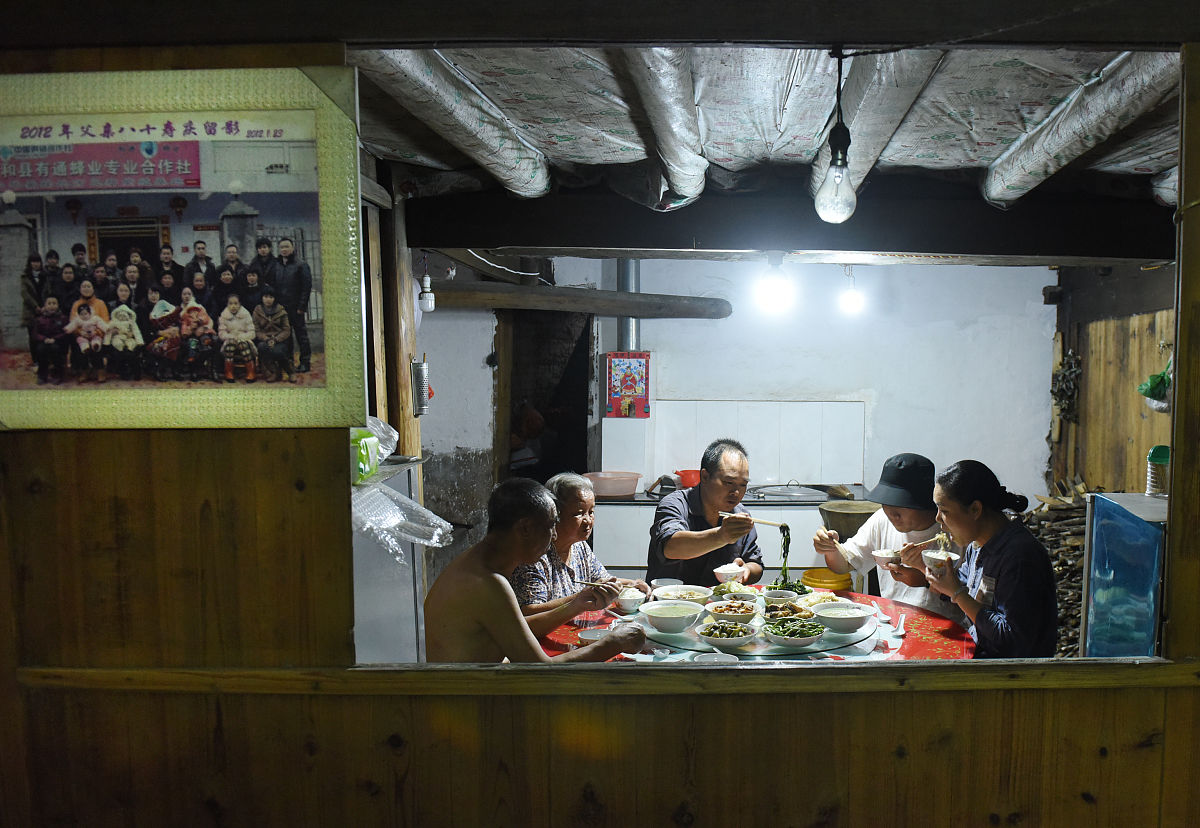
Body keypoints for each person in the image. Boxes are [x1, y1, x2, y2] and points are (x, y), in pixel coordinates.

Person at [425, 478, 645, 663]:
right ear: (525, 528)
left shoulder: (474, 561)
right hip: (464, 706)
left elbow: (515, 629)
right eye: (551, 526)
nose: (555, 536)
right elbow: (539, 669)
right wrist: (613, 643)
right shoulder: (488, 583)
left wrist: (576, 604)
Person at [899, 460, 1058, 658]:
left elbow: (1012, 641)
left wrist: (957, 594)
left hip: (1011, 678)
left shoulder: (1020, 557)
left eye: (945, 511)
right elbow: (961, 582)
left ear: (975, 509)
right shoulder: (978, 545)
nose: (938, 519)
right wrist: (925, 569)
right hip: (978, 655)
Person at [813, 453, 965, 622]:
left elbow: (972, 598)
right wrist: (830, 548)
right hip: (892, 622)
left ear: (924, 502)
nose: (892, 513)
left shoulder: (955, 530)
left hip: (946, 628)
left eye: (901, 503)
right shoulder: (882, 520)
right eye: (886, 502)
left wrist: (924, 578)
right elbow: (843, 564)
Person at [510, 473, 650, 636]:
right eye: (579, 513)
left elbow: (600, 580)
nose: (588, 520)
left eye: (591, 512)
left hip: (574, 633)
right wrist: (578, 601)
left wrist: (632, 584)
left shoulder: (580, 547)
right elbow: (528, 611)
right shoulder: (535, 556)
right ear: (555, 515)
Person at [646, 438, 763, 587]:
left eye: (743, 485)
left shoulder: (740, 514)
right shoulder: (676, 503)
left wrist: (746, 569)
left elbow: (755, 563)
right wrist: (721, 536)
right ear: (705, 476)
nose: (736, 492)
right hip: (669, 602)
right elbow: (670, 547)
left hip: (720, 606)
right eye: (728, 482)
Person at [275, 237, 312, 372]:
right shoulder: (277, 265)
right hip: (282, 309)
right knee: (286, 336)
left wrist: (302, 306)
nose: (284, 250)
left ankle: (305, 362)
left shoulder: (301, 265)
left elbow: (306, 287)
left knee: (301, 335)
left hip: (296, 308)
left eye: (286, 247)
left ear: (293, 248)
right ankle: (289, 361)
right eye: (281, 247)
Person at [252, 286, 295, 383]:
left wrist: (276, 339)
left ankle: (290, 371)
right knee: (262, 347)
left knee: (278, 351)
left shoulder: (281, 311)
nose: (268, 300)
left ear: (274, 299)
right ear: (262, 297)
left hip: (279, 339)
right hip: (265, 339)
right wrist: (266, 339)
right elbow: (256, 330)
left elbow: (286, 329)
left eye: (271, 297)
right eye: (266, 296)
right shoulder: (257, 311)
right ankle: (274, 372)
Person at [63, 303, 107, 382]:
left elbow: (102, 324)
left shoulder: (95, 318)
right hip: (83, 336)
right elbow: (72, 325)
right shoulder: (78, 319)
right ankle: (84, 370)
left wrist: (100, 331)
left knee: (97, 344)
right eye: (81, 314)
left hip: (95, 335)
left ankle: (100, 371)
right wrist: (69, 329)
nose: (84, 316)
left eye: (86, 314)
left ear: (90, 313)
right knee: (80, 345)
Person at [218, 294, 257, 383]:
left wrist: (241, 337)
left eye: (236, 303)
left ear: (240, 304)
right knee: (230, 345)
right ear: (227, 305)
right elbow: (221, 333)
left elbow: (252, 332)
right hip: (230, 339)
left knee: (242, 344)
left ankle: (250, 371)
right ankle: (229, 372)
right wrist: (231, 337)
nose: (233, 306)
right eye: (230, 304)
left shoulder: (246, 314)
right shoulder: (224, 316)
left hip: (243, 339)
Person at [32, 295, 69, 385]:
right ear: (45, 306)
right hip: (44, 342)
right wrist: (44, 339)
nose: (52, 306)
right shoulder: (40, 319)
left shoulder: (63, 318)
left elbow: (65, 332)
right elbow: (35, 333)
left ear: (58, 305)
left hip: (57, 342)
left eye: (54, 303)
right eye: (49, 303)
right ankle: (42, 375)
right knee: (41, 349)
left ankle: (57, 375)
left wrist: (55, 338)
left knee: (55, 349)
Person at [20, 253, 43, 362]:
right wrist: (35, 306)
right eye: (33, 262)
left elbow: (47, 291)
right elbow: (25, 294)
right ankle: (36, 360)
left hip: (44, 309)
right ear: (29, 263)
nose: (35, 264)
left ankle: (45, 360)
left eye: (37, 261)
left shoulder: (44, 275)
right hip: (31, 311)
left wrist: (45, 307)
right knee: (33, 337)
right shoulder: (25, 276)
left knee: (43, 336)